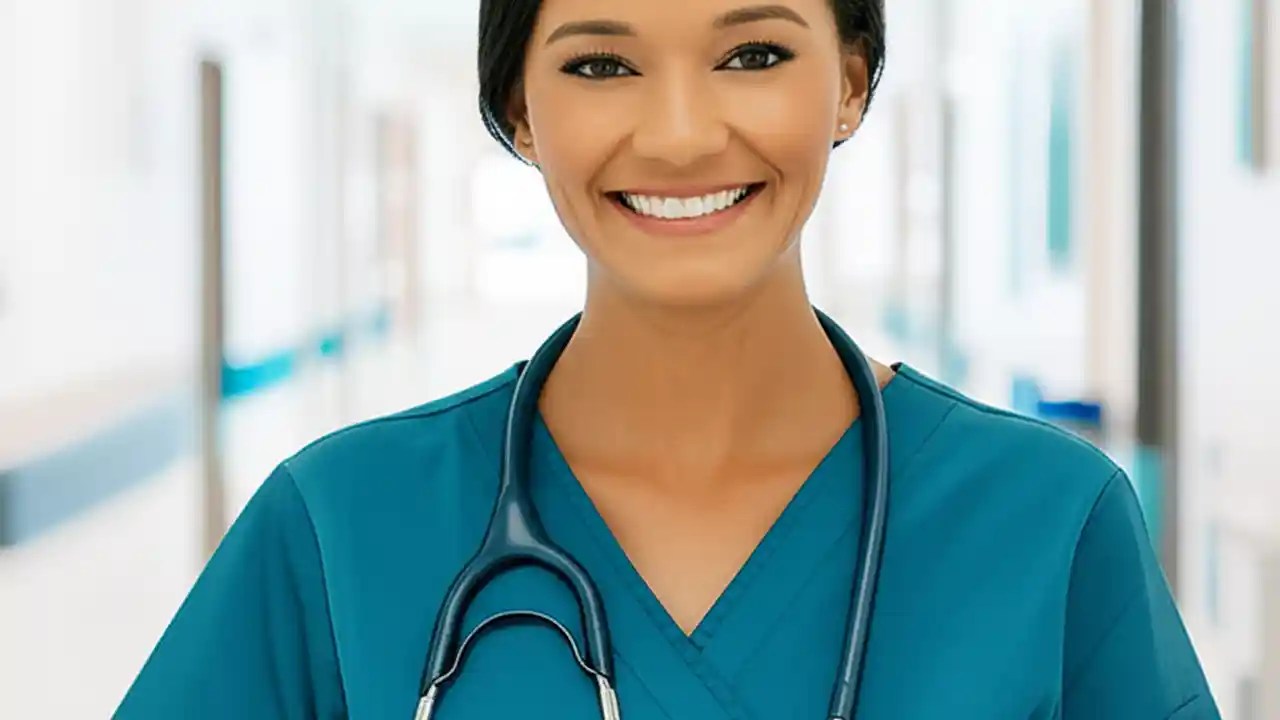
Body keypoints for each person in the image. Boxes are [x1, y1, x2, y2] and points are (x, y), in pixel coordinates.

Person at [116, 0, 1220, 717]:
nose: (682, 132)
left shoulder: (1047, 524)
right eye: (600, 63)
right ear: (520, 110)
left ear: (846, 81)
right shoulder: (340, 527)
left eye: (752, 53)